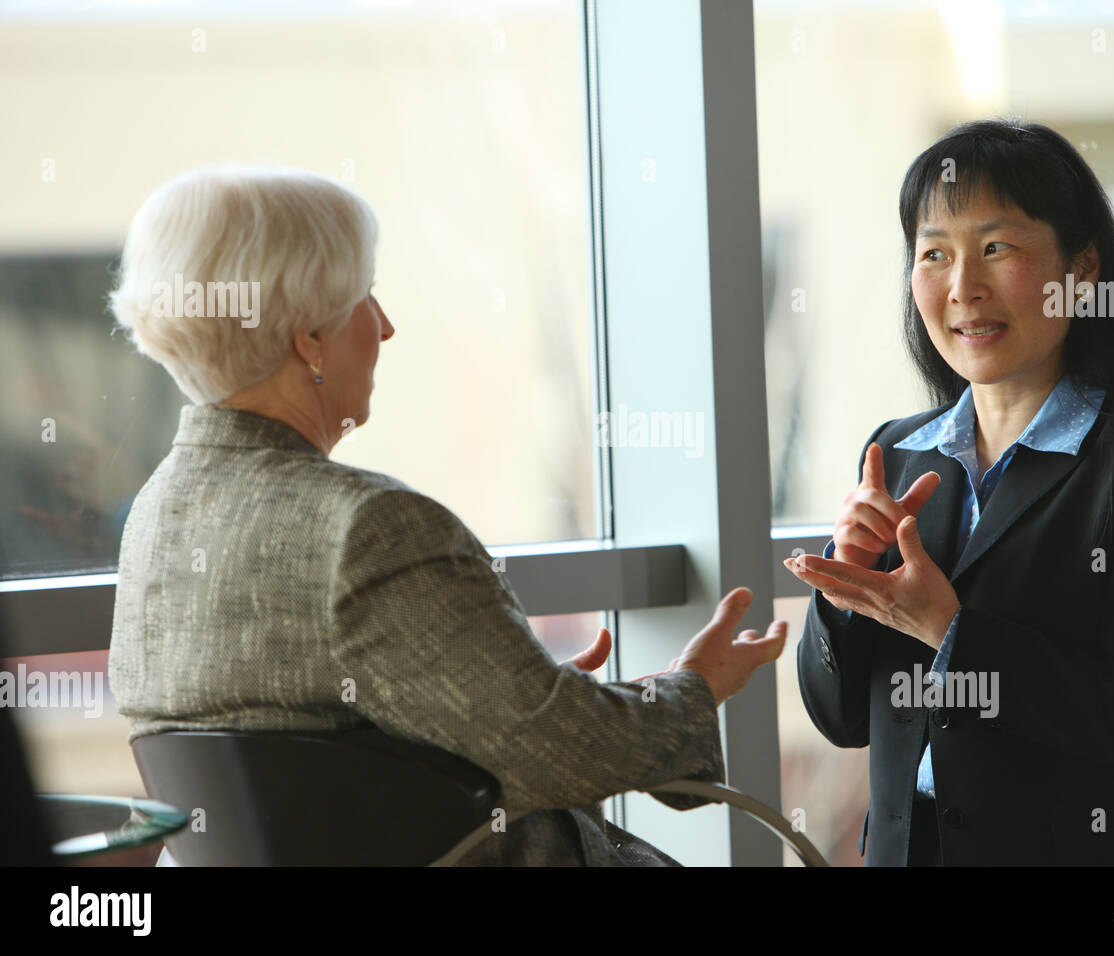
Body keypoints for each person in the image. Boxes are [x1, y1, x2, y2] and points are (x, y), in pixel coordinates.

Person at [106, 166, 786, 866]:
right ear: (309, 337)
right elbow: (560, 753)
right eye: (365, 297)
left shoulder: (155, 523)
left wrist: (528, 696)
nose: (387, 327)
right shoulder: (368, 529)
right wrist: (690, 688)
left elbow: (329, 763)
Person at [786, 119, 1114, 866]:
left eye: (996, 248)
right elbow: (839, 720)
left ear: (1083, 271)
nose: (963, 286)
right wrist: (842, 594)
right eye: (935, 253)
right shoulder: (896, 454)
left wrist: (952, 634)